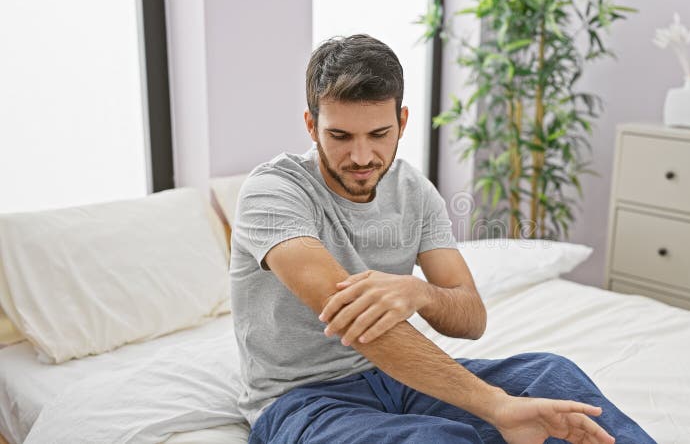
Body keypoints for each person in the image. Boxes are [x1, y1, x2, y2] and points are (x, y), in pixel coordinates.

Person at [230, 34, 655, 444]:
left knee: (552, 377)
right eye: (340, 136)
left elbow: (471, 318)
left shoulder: (414, 191)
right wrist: (495, 406)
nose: (361, 157)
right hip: (305, 402)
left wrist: (420, 293)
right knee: (434, 439)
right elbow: (359, 325)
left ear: (402, 122)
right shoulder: (273, 192)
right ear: (311, 125)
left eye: (378, 134)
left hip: (405, 380)